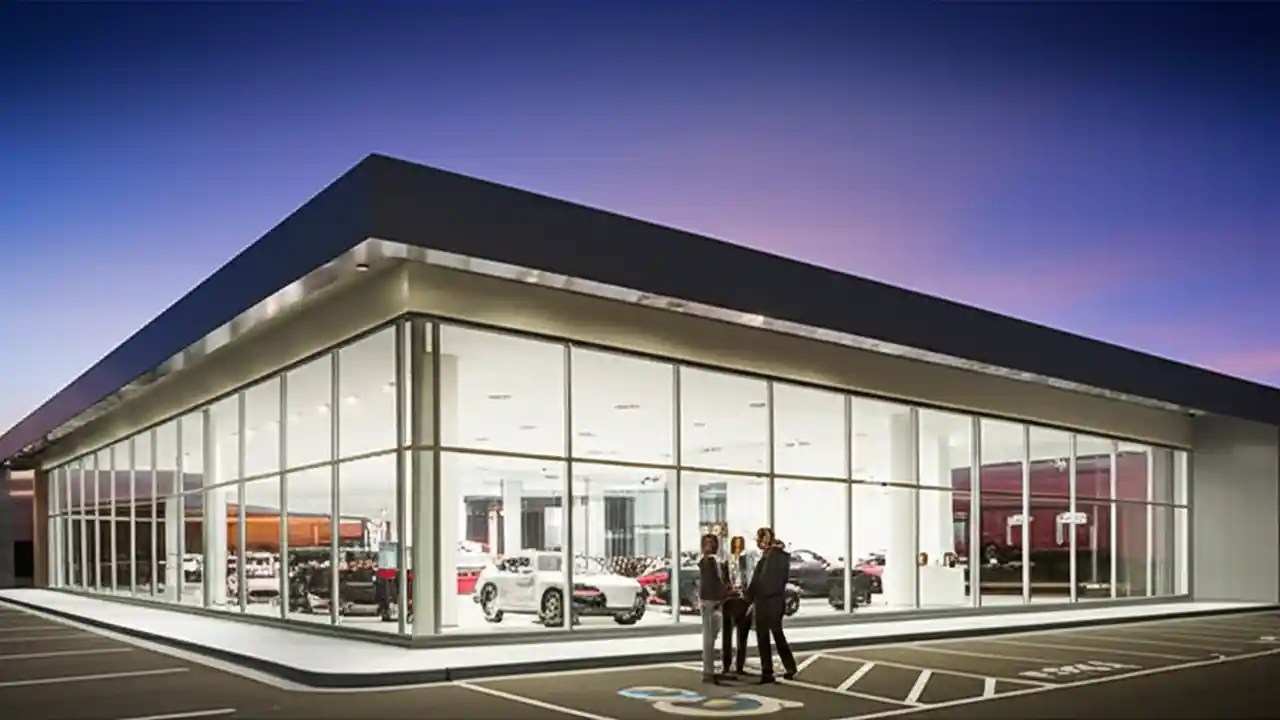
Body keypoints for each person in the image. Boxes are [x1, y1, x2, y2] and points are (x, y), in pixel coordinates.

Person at [745, 527, 797, 684]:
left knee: (771, 634)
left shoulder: (776, 557)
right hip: (767, 600)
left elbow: (764, 581)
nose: (759, 544)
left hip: (770, 600)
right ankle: (775, 670)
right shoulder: (769, 557)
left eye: (760, 540)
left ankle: (775, 670)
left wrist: (751, 596)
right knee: (769, 634)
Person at [720, 535, 754, 676]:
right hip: (729, 601)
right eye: (736, 545)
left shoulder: (747, 560)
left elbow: (750, 577)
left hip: (743, 601)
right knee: (727, 635)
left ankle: (740, 665)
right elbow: (723, 579)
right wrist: (728, 590)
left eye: (740, 545)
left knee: (742, 635)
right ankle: (726, 664)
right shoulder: (726, 561)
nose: (738, 548)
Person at [697, 533, 727, 683]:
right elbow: (711, 585)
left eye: (713, 543)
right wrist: (723, 594)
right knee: (708, 638)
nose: (712, 546)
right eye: (708, 543)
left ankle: (710, 670)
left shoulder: (715, 562)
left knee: (712, 636)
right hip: (710, 602)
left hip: (715, 602)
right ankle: (708, 672)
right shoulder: (706, 562)